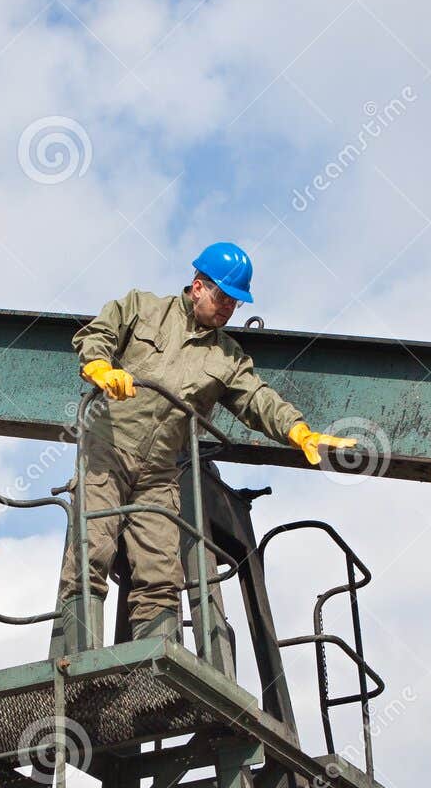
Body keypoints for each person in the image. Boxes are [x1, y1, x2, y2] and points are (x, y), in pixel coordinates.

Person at [56, 241, 354, 649]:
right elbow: (99, 332)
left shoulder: (227, 357)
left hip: (160, 473)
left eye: (235, 302)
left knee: (161, 576)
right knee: (90, 551)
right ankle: (76, 660)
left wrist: (298, 430)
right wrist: (99, 365)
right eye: (223, 297)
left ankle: (151, 672)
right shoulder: (143, 308)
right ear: (198, 286)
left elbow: (258, 399)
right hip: (107, 451)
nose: (229, 307)